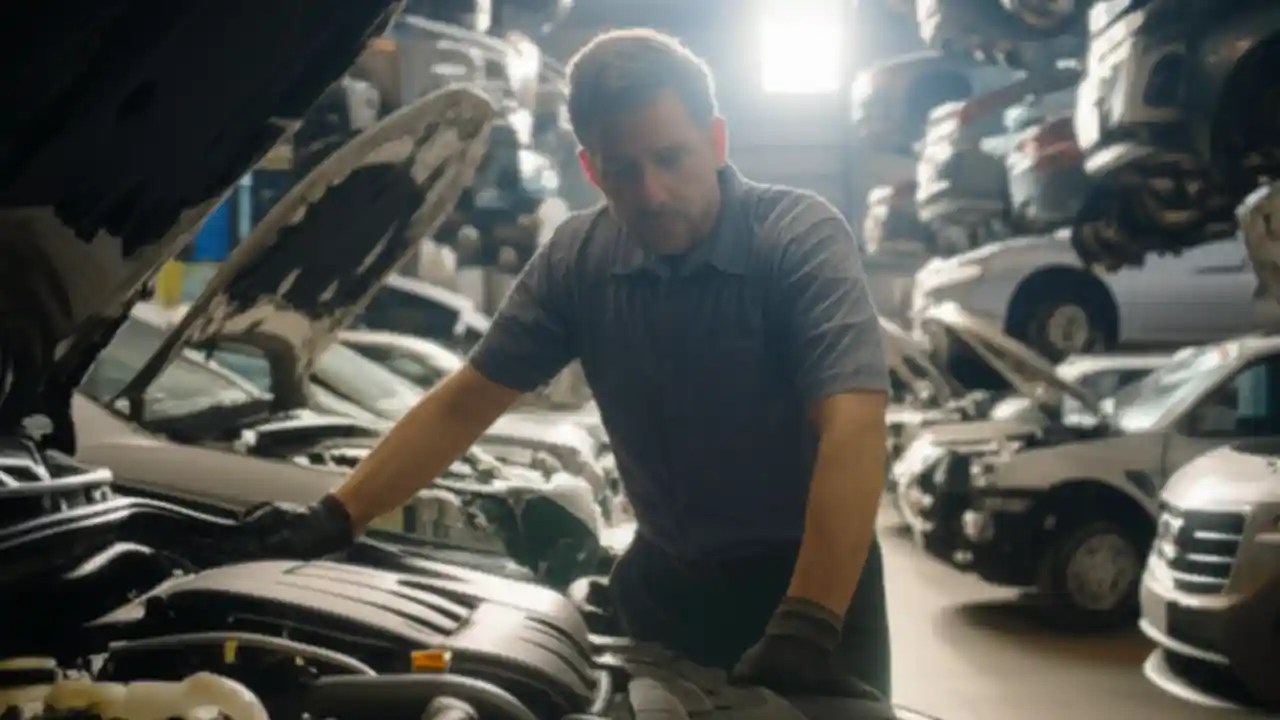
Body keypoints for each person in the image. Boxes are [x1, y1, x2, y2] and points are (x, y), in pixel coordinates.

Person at [238, 28, 892, 700]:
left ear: (717, 141)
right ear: (591, 169)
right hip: (665, 589)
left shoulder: (797, 240)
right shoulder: (578, 261)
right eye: (623, 171)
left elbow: (852, 426)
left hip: (812, 583)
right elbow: (466, 402)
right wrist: (339, 514)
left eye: (672, 158)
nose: (653, 192)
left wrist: (810, 619)